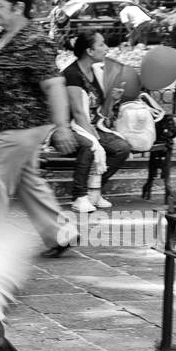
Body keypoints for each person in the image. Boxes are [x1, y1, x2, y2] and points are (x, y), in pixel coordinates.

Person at [0, 0, 77, 297]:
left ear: (19, 7)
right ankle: (60, 233)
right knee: (28, 181)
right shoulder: (2, 38)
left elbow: (54, 85)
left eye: (0, 6)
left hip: (19, 129)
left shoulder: (35, 40)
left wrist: (63, 126)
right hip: (4, 130)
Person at [61, 31, 133, 214]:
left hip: (91, 126)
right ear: (89, 51)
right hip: (70, 128)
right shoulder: (72, 75)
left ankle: (95, 189)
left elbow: (101, 112)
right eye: (101, 44)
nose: (106, 48)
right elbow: (78, 114)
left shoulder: (96, 73)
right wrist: (96, 139)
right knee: (90, 146)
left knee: (122, 148)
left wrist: (112, 99)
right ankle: (79, 196)